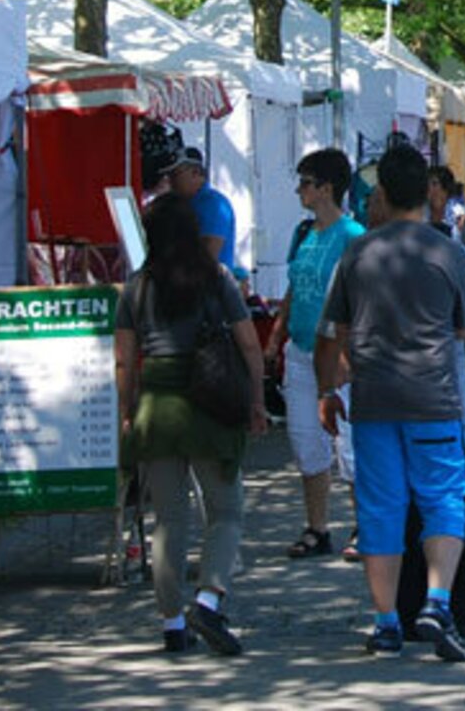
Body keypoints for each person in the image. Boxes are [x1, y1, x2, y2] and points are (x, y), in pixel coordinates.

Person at [319, 142, 465, 661]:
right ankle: (438, 602)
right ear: (428, 191)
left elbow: (337, 330)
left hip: (374, 398)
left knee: (381, 507)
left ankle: (385, 622)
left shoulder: (357, 253)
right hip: (434, 396)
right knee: (445, 499)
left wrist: (329, 390)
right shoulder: (450, 252)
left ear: (380, 193)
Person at [116, 194, 267, 655]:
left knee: (168, 519)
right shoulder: (215, 278)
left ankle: (172, 623)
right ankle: (209, 596)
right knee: (226, 510)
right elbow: (248, 344)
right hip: (210, 401)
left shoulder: (136, 287)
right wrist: (257, 400)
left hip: (158, 406)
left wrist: (127, 412)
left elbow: (124, 361)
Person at [273, 148, 362, 561]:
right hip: (301, 348)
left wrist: (349, 352)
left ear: (326, 188)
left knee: (348, 443)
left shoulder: (353, 236)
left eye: (305, 182)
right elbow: (294, 287)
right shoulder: (304, 233)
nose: (298, 190)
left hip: (338, 354)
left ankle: (364, 525)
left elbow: (362, 298)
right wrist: (276, 335)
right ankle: (317, 525)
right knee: (306, 439)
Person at [164, 151, 246, 282]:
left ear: (195, 173)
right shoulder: (185, 203)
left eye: (175, 175)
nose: (171, 182)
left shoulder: (213, 204)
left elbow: (208, 256)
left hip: (208, 292)